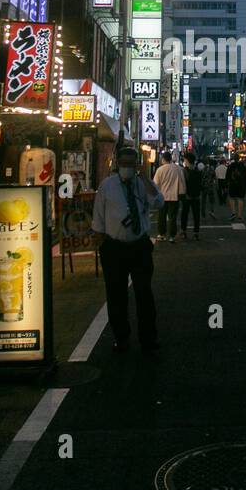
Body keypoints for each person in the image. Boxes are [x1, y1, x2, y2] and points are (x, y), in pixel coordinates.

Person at [92, 147, 164, 352]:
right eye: (123, 163)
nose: (127, 168)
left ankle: (148, 338)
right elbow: (98, 219)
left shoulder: (141, 185)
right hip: (114, 247)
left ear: (137, 165)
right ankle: (121, 338)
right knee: (116, 295)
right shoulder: (107, 186)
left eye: (131, 164)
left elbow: (158, 202)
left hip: (139, 246)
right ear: (117, 163)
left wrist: (146, 177)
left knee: (144, 293)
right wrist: (101, 246)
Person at [153, 151, 185, 243]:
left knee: (161, 216)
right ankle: (172, 235)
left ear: (163, 159)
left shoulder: (160, 170)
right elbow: (182, 182)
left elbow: (155, 185)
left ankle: (162, 234)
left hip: (162, 196)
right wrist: (182, 193)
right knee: (172, 217)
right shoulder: (178, 168)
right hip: (174, 196)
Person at [179, 154, 204, 240]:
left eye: (185, 160)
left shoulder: (184, 171)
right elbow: (201, 184)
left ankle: (183, 232)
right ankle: (196, 233)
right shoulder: (198, 171)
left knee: (184, 214)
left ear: (187, 161)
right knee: (196, 215)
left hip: (186, 196)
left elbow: (182, 183)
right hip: (196, 196)